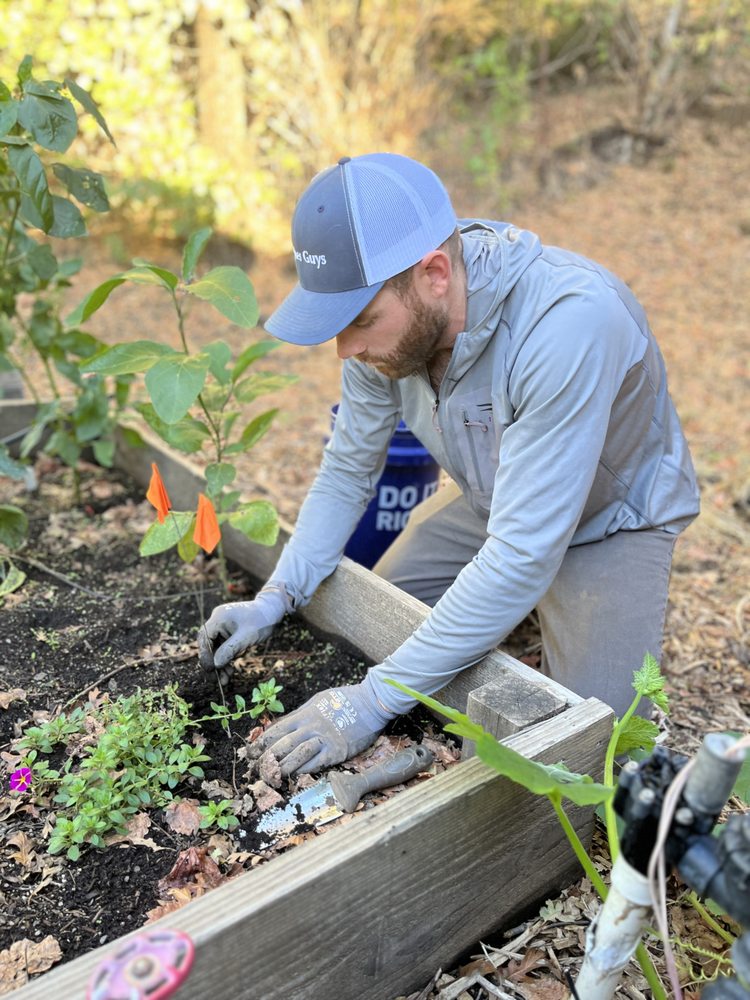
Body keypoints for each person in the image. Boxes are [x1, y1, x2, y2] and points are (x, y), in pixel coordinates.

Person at [198, 152, 700, 776]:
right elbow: (347, 471)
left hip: (611, 519)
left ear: (434, 273)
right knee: (380, 622)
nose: (345, 348)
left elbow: (522, 553)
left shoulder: (568, 323)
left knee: (591, 758)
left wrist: (371, 702)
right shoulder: (387, 340)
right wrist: (275, 597)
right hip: (495, 496)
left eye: (360, 320)